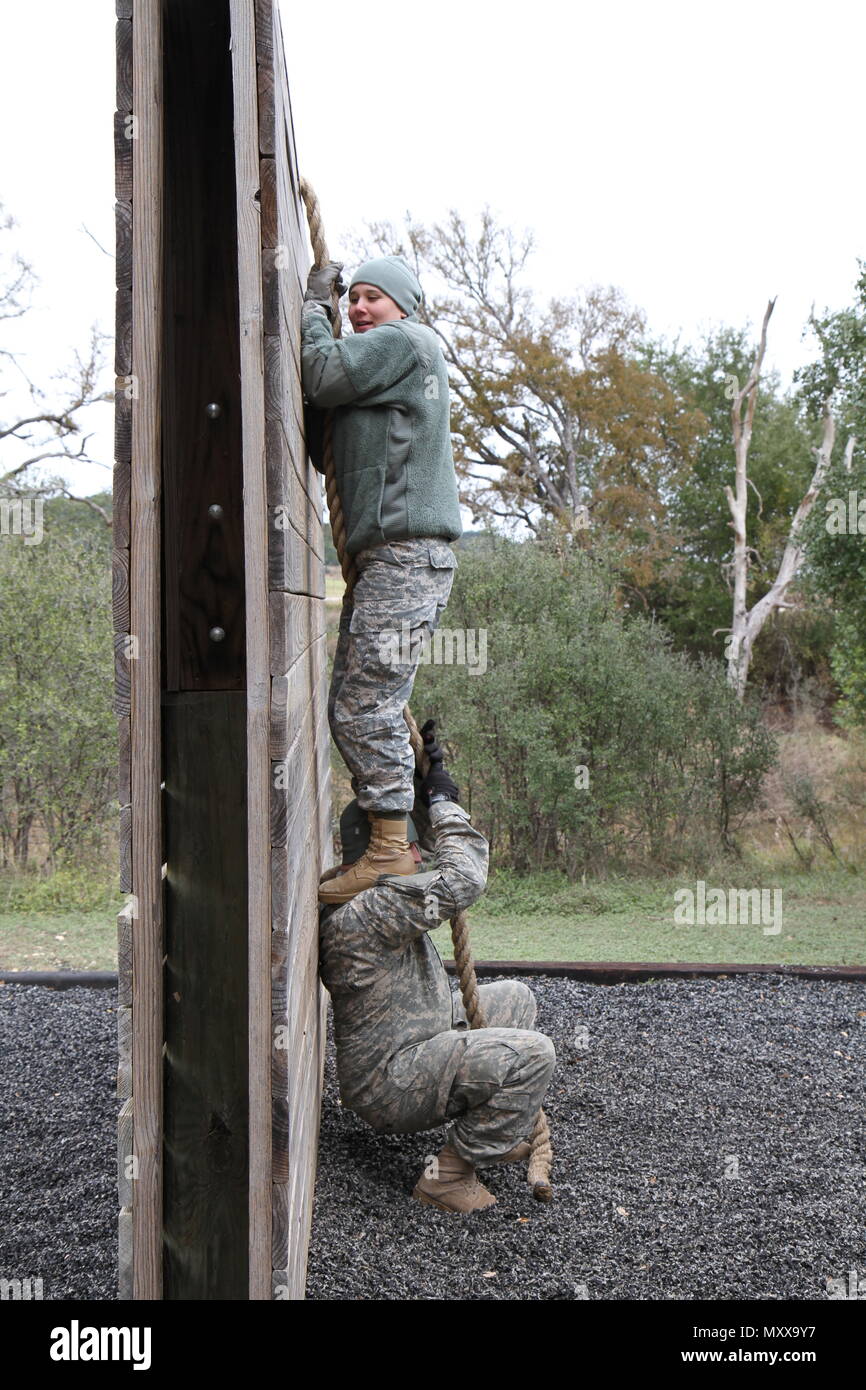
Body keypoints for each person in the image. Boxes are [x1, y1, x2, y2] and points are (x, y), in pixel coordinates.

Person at [318, 721, 557, 1213]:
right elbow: (463, 878)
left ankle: (488, 1128)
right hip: (392, 1083)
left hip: (417, 1036)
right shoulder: (366, 915)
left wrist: (427, 779)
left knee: (516, 998)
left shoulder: (367, 891)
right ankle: (446, 1177)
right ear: (377, 857)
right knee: (533, 1054)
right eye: (405, 845)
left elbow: (426, 858)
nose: (414, 852)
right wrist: (447, 804)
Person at [301, 255, 463, 905]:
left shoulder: (408, 344)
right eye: (354, 299)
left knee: (364, 704)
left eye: (374, 299)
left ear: (406, 306)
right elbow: (325, 440)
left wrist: (316, 312)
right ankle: (388, 837)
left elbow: (319, 371)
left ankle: (392, 850)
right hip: (390, 562)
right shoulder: (383, 369)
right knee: (354, 701)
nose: (360, 308)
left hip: (404, 558)